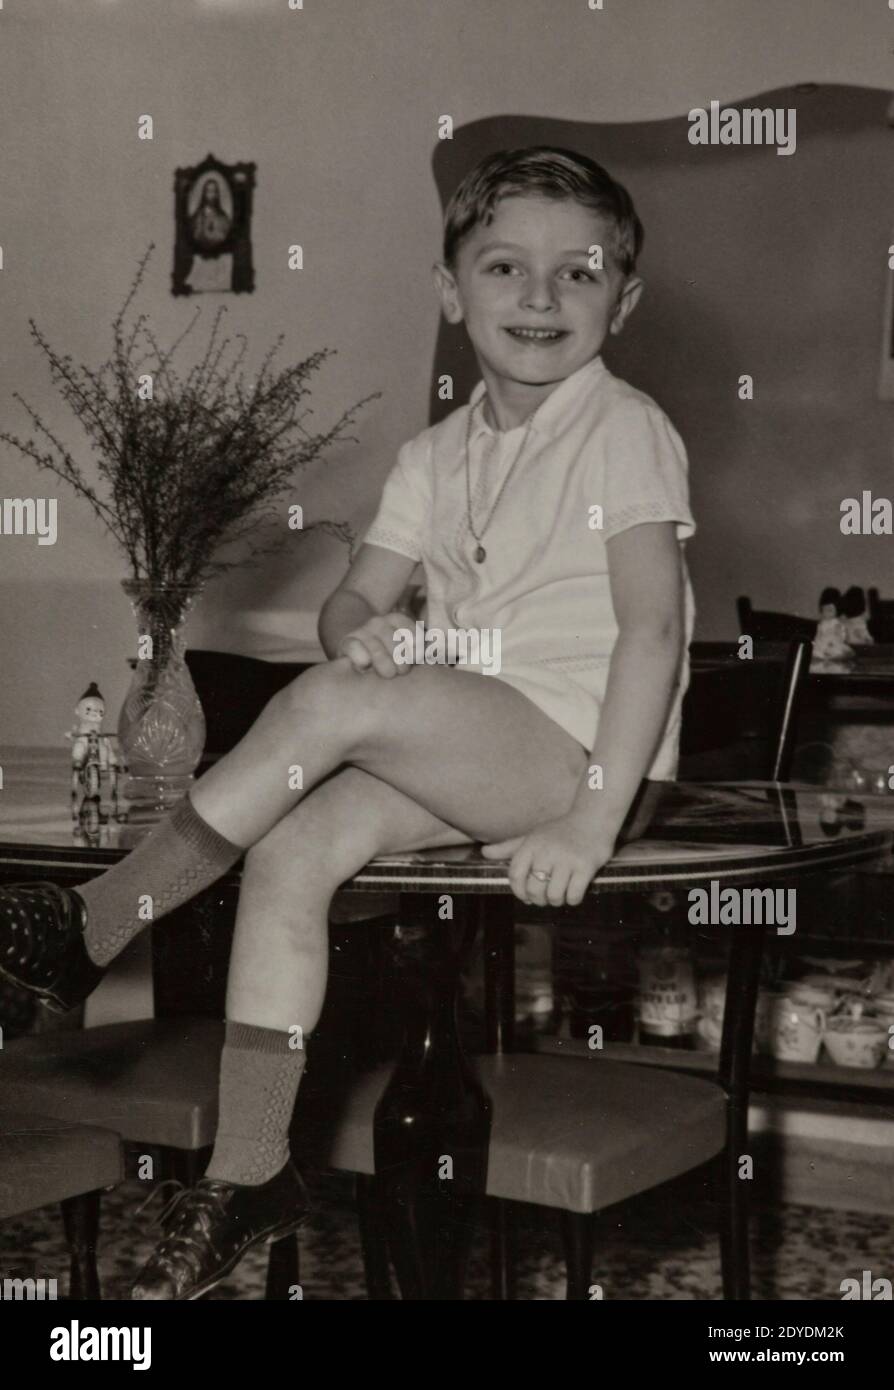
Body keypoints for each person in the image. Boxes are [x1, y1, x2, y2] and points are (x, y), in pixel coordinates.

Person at [0, 146, 696, 1299]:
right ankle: (252, 1165)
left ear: (622, 300)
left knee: (324, 710)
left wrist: (589, 818)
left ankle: (94, 924)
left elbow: (657, 634)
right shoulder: (436, 455)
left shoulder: (623, 428)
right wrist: (359, 633)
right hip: (474, 741)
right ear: (450, 289)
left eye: (577, 275)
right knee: (292, 848)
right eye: (504, 267)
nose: (538, 297)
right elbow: (351, 602)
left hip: (579, 748)